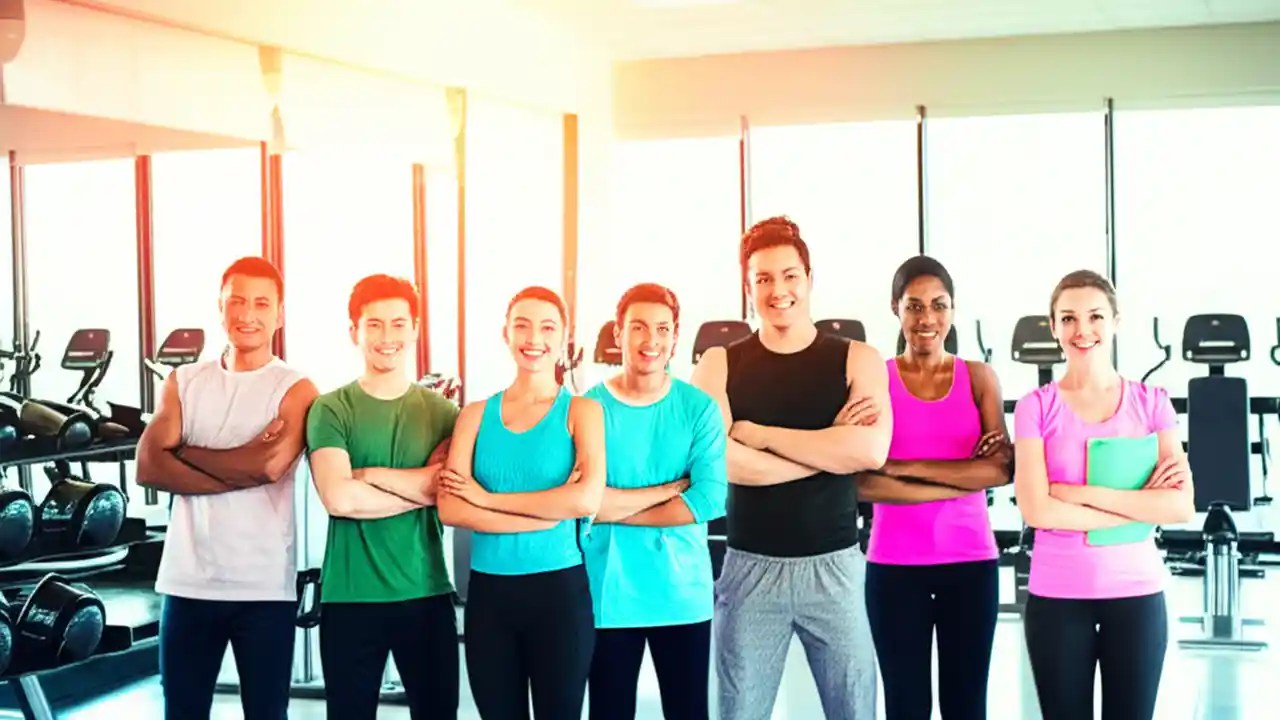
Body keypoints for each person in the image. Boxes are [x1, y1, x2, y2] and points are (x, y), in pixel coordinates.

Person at [690, 216, 891, 720]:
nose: (778, 291)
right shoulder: (718, 364)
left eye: (789, 276)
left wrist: (760, 437)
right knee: (740, 713)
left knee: (855, 711)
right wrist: (827, 451)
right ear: (747, 287)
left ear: (809, 278)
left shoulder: (858, 359)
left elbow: (869, 452)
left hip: (836, 567)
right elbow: (722, 465)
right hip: (751, 569)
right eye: (763, 279)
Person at [136, 256, 318, 720]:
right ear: (220, 308)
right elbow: (149, 467)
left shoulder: (296, 388)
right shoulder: (185, 381)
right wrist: (239, 463)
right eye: (236, 301)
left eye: (261, 303)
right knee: (183, 712)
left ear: (279, 314)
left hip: (263, 588)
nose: (247, 313)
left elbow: (268, 467)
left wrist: (184, 453)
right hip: (187, 583)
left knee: (266, 713)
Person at [1013, 269, 1194, 720]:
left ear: (1115, 321)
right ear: (1053, 327)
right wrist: (1138, 512)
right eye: (1068, 319)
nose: (1082, 330)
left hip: (1137, 595)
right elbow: (1037, 509)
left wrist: (1076, 495)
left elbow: (1179, 505)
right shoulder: (1036, 407)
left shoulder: (1153, 403)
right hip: (1057, 598)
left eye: (1095, 316)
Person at [437, 285, 605, 720]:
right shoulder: (474, 414)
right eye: (522, 326)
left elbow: (585, 498)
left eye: (547, 327)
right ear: (506, 334)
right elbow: (452, 509)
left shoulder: (582, 412)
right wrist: (545, 513)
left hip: (560, 595)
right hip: (490, 597)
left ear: (564, 336)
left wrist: (487, 501)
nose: (535, 338)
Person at [857, 255, 1012, 720]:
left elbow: (1000, 471)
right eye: (915, 306)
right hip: (893, 568)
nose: (927, 319)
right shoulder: (875, 380)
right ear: (895, 309)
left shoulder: (979, 378)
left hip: (971, 566)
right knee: (906, 707)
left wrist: (899, 469)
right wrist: (961, 473)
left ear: (953, 309)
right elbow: (861, 482)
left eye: (939, 305)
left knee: (967, 707)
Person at [305, 274, 462, 720]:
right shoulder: (331, 408)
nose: (387, 337)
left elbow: (450, 494)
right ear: (354, 331)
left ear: (414, 328)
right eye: (374, 325)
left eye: (397, 324)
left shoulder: (445, 414)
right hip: (350, 597)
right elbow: (340, 499)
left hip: (426, 592)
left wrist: (371, 475)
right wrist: (424, 489)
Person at [582, 283, 728, 720]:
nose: (651, 340)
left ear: (675, 337)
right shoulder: (588, 409)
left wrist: (615, 507)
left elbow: (707, 499)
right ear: (618, 334)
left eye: (662, 329)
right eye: (639, 327)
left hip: (682, 594)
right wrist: (665, 492)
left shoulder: (698, 408)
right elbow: (584, 503)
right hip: (609, 593)